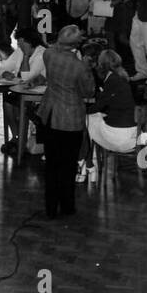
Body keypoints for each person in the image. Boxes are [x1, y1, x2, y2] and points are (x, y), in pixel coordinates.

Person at [38, 25, 94, 218]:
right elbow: (88, 92)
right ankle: (67, 206)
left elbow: (53, 48)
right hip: (70, 120)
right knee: (68, 165)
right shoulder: (79, 67)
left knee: (52, 164)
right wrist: (86, 65)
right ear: (77, 45)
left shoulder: (48, 55)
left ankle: (51, 208)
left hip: (50, 115)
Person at [0, 27, 46, 157]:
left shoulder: (41, 54)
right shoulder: (19, 51)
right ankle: (17, 136)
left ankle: (21, 139)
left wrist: (26, 56)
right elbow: (3, 67)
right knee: (7, 103)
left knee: (19, 108)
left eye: (20, 41)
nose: (18, 44)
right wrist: (5, 73)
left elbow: (27, 77)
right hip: (20, 91)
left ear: (27, 41)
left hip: (36, 96)